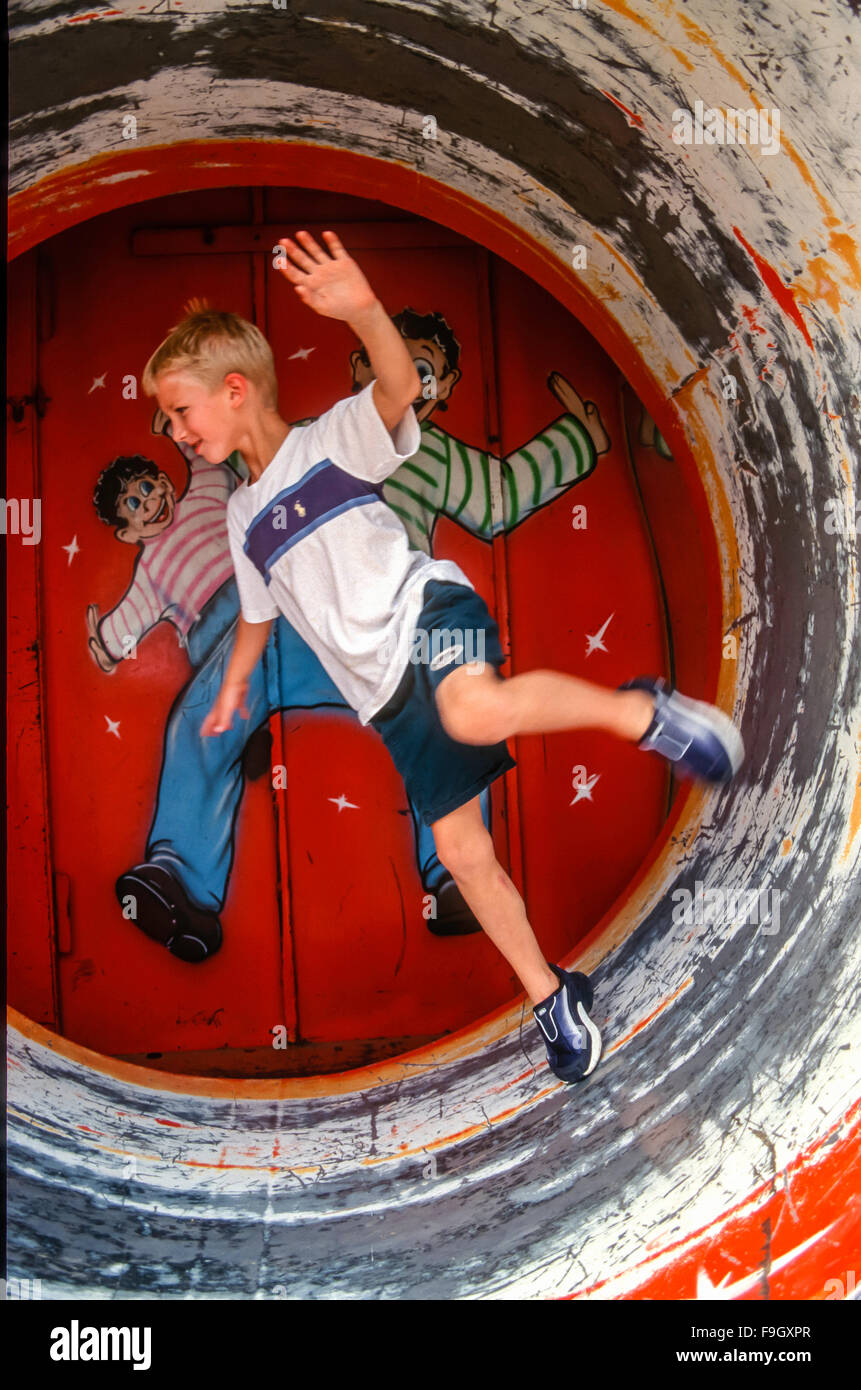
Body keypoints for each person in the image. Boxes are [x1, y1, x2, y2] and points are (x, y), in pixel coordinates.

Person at [142, 230, 744, 1085]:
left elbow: (393, 385)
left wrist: (362, 310)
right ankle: (551, 996)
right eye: (169, 419)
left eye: (181, 410)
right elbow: (254, 614)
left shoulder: (332, 443)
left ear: (235, 391)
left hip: (428, 611)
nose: (175, 429)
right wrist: (235, 684)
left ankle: (642, 712)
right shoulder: (244, 517)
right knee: (462, 855)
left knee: (473, 707)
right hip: (385, 694)